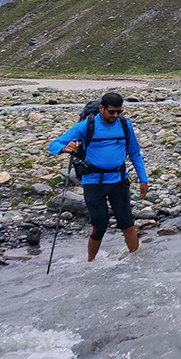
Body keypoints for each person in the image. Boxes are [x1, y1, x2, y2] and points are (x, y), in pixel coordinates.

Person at [48, 92, 149, 261]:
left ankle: (137, 260)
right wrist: (65, 148)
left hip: (119, 181)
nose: (115, 115)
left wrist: (143, 179)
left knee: (127, 223)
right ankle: (90, 263)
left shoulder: (125, 125)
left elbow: (135, 153)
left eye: (119, 112)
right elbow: (53, 144)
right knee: (100, 224)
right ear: (101, 108)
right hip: (93, 182)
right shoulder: (86, 126)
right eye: (112, 112)